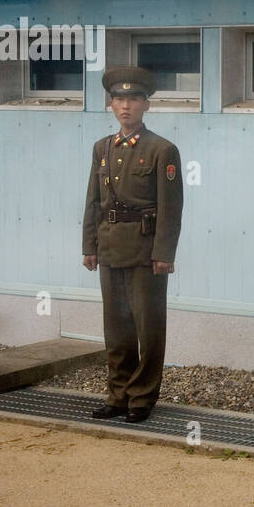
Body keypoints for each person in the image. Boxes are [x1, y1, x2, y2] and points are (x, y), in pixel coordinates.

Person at [81, 66, 184, 423]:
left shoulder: (162, 150)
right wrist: (89, 246)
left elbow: (171, 208)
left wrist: (164, 255)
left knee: (148, 327)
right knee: (117, 327)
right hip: (110, 248)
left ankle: (142, 398)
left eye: (134, 100)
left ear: (146, 106)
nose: (126, 106)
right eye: (119, 100)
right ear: (111, 105)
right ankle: (118, 394)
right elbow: (93, 202)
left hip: (145, 252)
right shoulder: (102, 149)